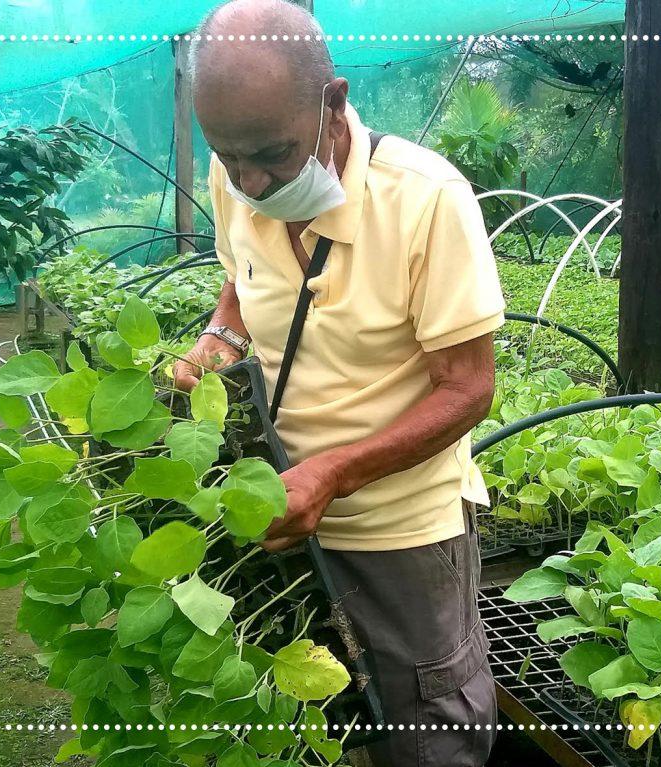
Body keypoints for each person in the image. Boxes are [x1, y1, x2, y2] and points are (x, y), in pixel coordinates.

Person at [172, 1, 504, 764]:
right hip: (277, 509)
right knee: (301, 720)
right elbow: (240, 278)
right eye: (229, 156)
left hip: (400, 531)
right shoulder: (236, 177)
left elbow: (468, 387)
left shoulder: (426, 200)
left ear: (333, 101)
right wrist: (219, 337)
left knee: (428, 729)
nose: (252, 182)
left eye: (274, 155)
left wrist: (333, 473)